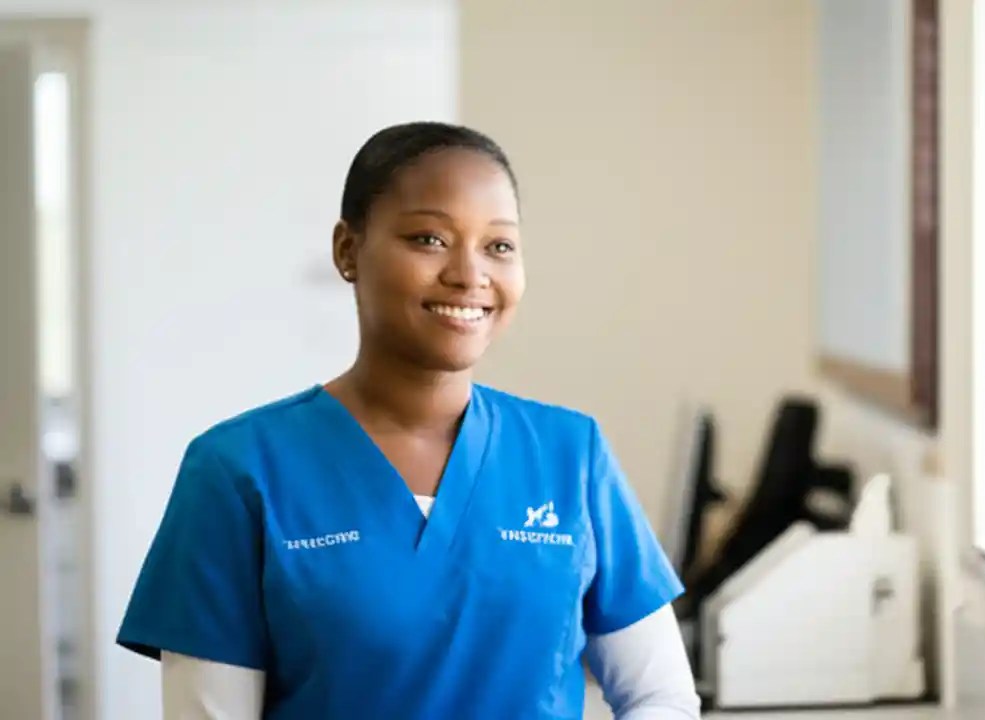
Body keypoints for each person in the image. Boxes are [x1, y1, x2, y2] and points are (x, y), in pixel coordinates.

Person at [116, 122, 701, 719]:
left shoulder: (569, 454)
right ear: (348, 250)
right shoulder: (238, 469)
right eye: (429, 238)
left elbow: (661, 697)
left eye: (499, 246)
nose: (471, 275)